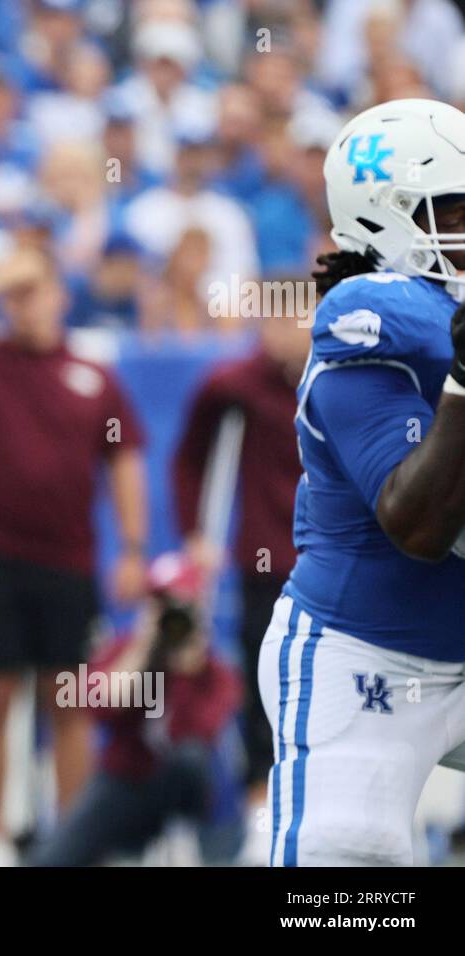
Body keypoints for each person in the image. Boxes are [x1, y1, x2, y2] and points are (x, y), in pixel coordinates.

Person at [262, 98, 465, 866]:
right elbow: (418, 526)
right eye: (455, 211)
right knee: (348, 880)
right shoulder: (369, 317)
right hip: (370, 651)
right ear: (389, 219)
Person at [0, 246, 148, 866]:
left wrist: (134, 548)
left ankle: (71, 840)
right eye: (19, 295)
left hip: (69, 561)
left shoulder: (94, 377)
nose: (27, 304)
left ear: (63, 297)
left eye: (37, 291)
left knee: (67, 703)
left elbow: (125, 462)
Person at [173, 291, 310, 847]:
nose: (276, 333)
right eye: (268, 320)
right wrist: (196, 536)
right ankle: (261, 810)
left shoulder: (341, 374)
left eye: (290, 319)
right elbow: (191, 458)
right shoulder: (234, 384)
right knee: (265, 689)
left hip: (334, 563)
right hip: (266, 565)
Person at [29, 552, 241, 866]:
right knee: (51, 858)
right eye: (161, 604)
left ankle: (199, 851)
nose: (171, 617)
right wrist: (143, 650)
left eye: (179, 606)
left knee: (190, 760)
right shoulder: (124, 650)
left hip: (188, 791)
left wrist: (187, 668)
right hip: (127, 783)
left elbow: (203, 732)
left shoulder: (213, 669)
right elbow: (100, 703)